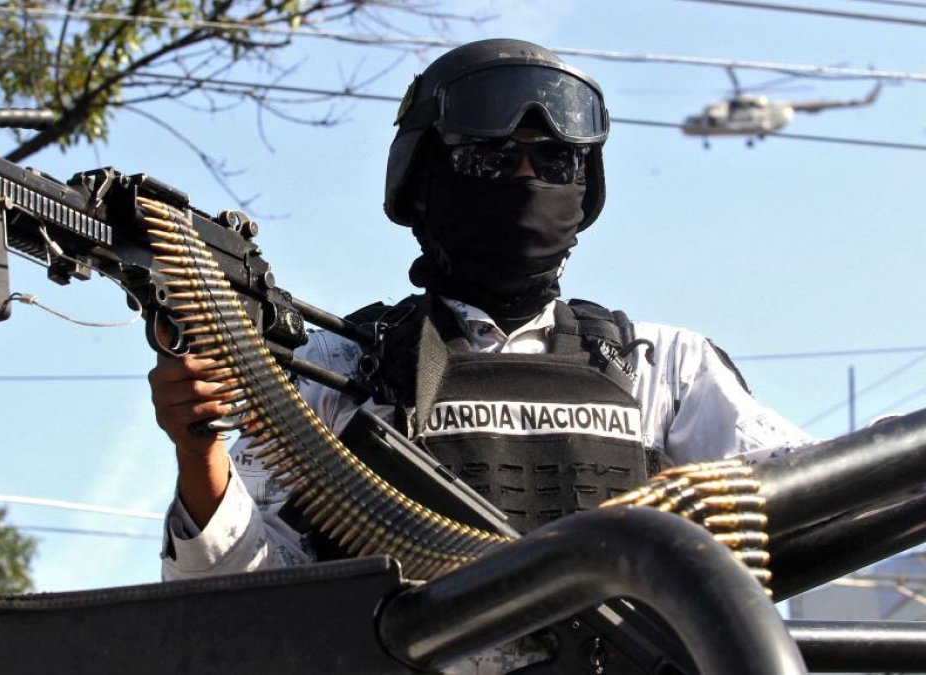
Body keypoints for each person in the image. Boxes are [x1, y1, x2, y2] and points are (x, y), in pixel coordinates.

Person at [149, 38, 812, 672]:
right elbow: (237, 605)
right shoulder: (340, 368)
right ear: (422, 179)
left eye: (554, 162)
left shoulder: (665, 369)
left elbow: (824, 500)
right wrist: (199, 455)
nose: (525, 179)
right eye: (489, 158)